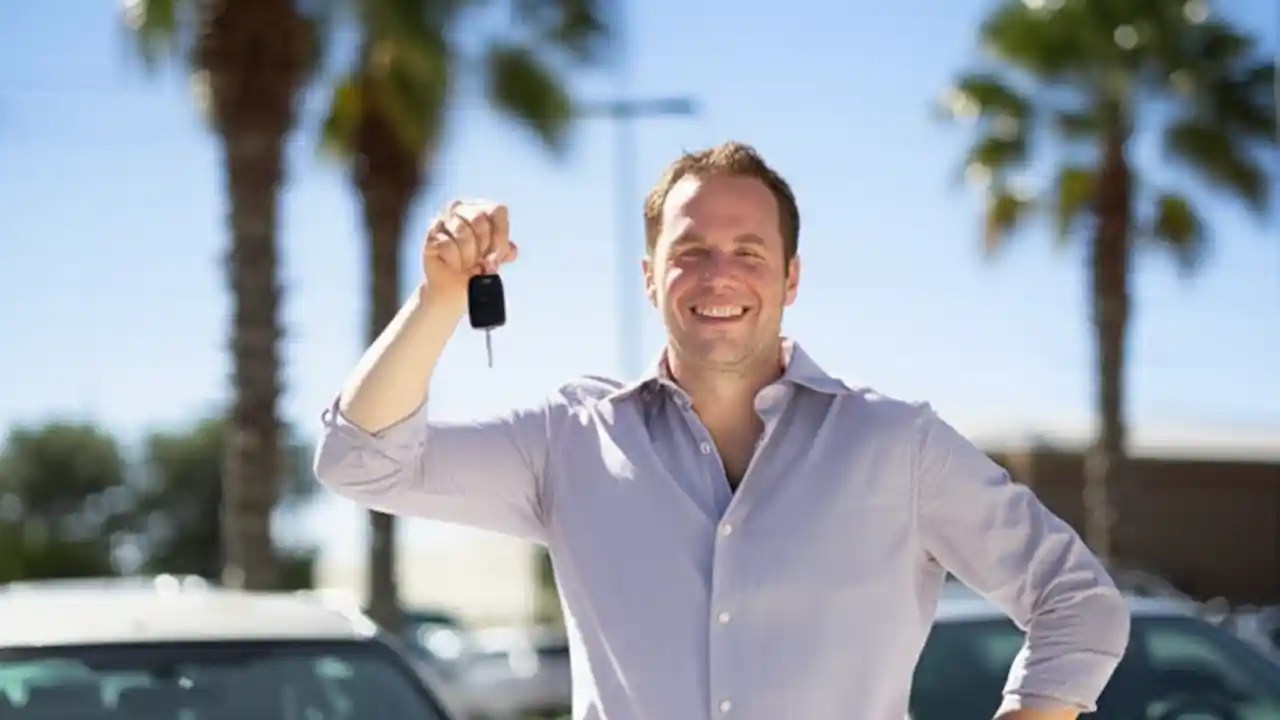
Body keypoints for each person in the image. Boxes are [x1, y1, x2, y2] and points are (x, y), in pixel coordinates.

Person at [314, 141, 1130, 720]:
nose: (719, 275)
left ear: (791, 278)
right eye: (691, 250)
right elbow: (360, 461)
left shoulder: (897, 446)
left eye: (748, 250)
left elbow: (1079, 602)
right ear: (649, 277)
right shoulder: (570, 444)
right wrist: (441, 296)